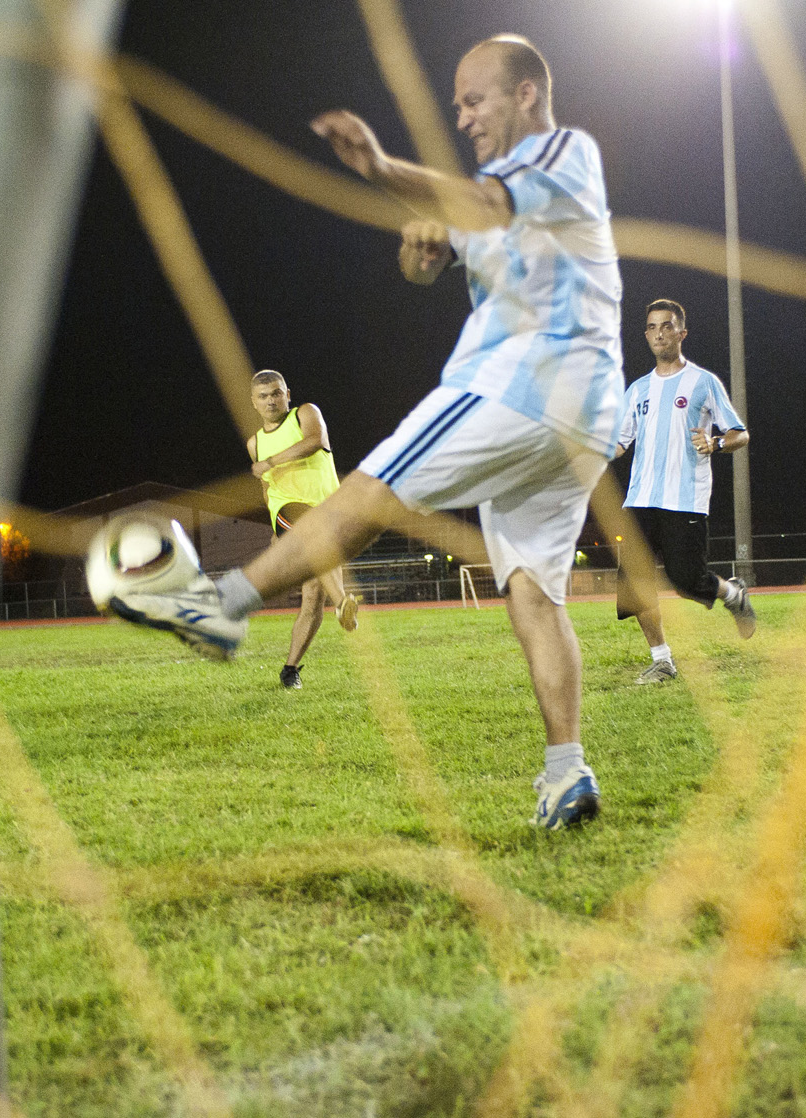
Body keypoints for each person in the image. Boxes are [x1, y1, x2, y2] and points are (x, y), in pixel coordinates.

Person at [116, 34, 623, 830]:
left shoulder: (565, 152)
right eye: (455, 103)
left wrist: (383, 170)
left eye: (474, 99)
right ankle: (568, 773)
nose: (461, 115)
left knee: (371, 488)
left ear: (526, 94)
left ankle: (224, 603)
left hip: (525, 384)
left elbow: (480, 204)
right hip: (581, 411)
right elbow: (436, 251)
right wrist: (421, 249)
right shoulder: (502, 192)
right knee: (534, 588)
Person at [612, 300, 755, 684]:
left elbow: (739, 432)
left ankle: (733, 595)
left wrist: (717, 444)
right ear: (646, 334)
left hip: (684, 500)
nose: (659, 333)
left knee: (687, 580)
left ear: (681, 332)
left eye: (667, 326)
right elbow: (620, 443)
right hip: (640, 500)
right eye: (652, 327)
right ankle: (663, 661)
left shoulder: (703, 382)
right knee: (634, 585)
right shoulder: (638, 389)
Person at [247, 369, 360, 688]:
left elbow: (315, 442)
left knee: (312, 597)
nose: (271, 400)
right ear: (254, 403)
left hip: (329, 513)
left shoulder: (305, 415)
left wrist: (271, 462)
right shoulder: (255, 443)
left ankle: (290, 670)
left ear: (287, 394)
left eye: (276, 393)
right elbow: (268, 489)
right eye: (263, 396)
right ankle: (342, 603)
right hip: (288, 511)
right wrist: (274, 530)